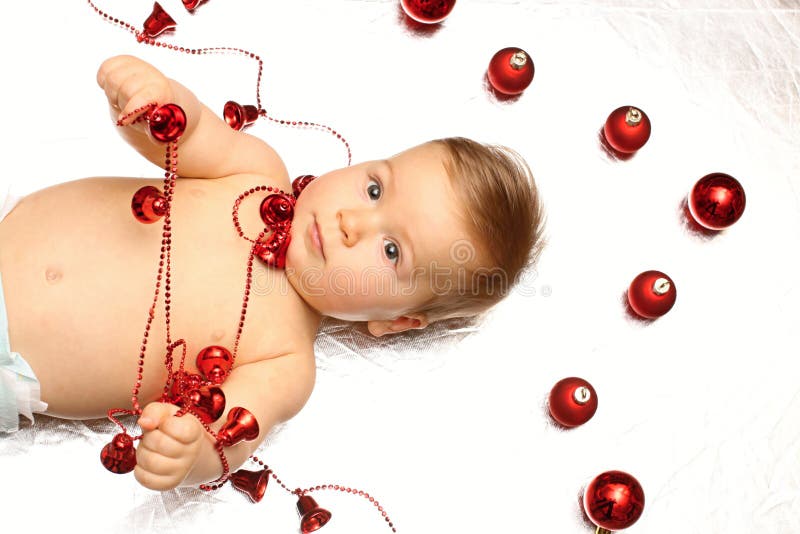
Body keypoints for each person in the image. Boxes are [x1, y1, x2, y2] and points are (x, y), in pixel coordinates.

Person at [0, 55, 545, 490]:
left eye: (392, 251)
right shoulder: (256, 173)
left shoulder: (286, 362)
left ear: (397, 320)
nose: (352, 222)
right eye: (375, 189)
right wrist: (153, 99)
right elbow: (183, 136)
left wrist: (190, 453)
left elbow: (229, 436)